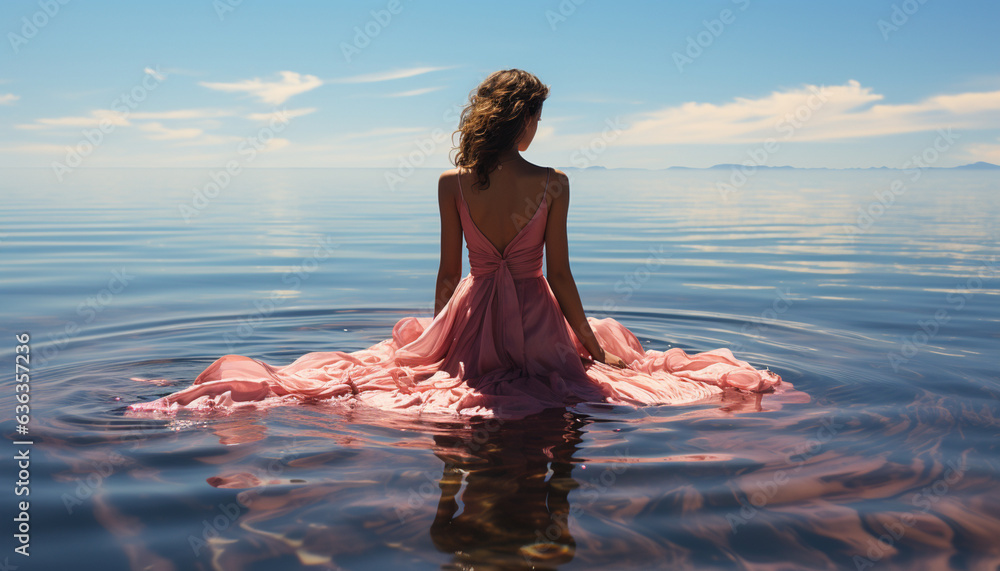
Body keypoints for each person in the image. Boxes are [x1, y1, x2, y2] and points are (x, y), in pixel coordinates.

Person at [127, 69, 783, 419]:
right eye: (536, 117)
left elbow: (447, 277)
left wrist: (438, 338)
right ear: (522, 121)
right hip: (534, 320)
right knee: (600, 373)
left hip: (468, 320)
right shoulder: (553, 182)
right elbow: (562, 279)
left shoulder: (452, 183)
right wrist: (590, 349)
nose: (536, 128)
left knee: (395, 377)